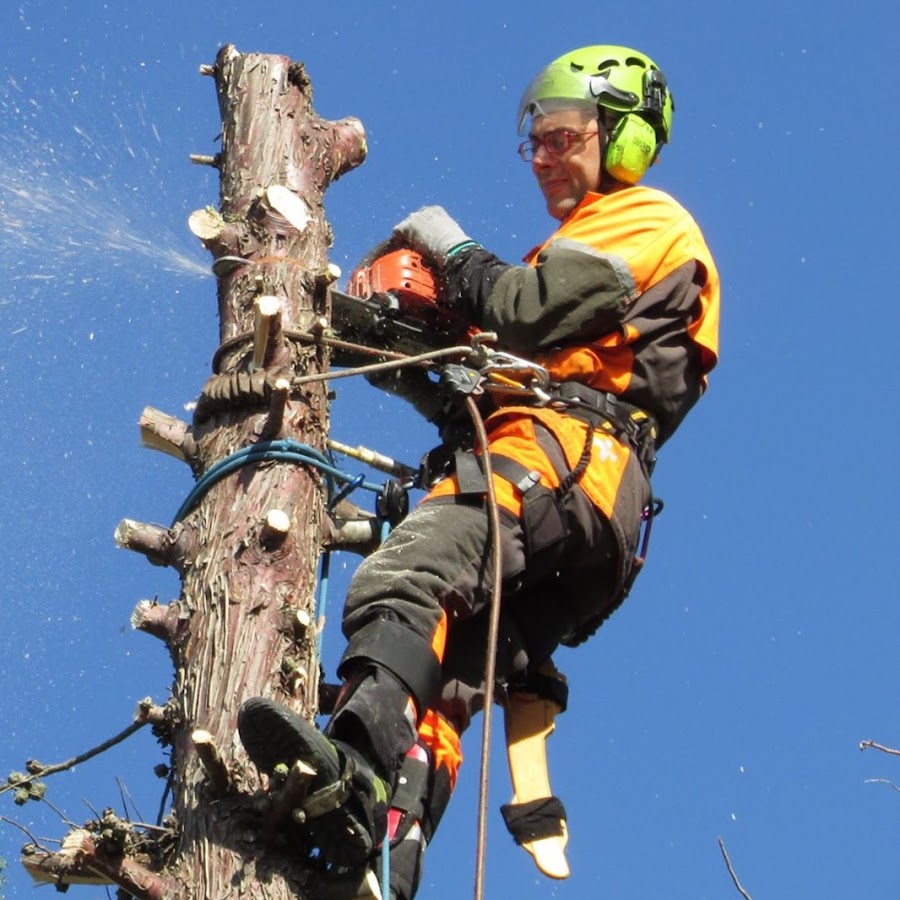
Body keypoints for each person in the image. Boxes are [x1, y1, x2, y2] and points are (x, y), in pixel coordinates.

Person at [239, 44, 720, 899]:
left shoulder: (646, 219)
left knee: (408, 571)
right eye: (534, 140)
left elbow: (520, 315)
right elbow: (493, 378)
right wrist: (400, 355)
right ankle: (386, 846)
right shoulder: (587, 259)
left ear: (624, 141)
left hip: (560, 461)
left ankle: (353, 759)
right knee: (448, 670)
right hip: (591, 515)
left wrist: (445, 243)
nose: (542, 156)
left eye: (562, 137)